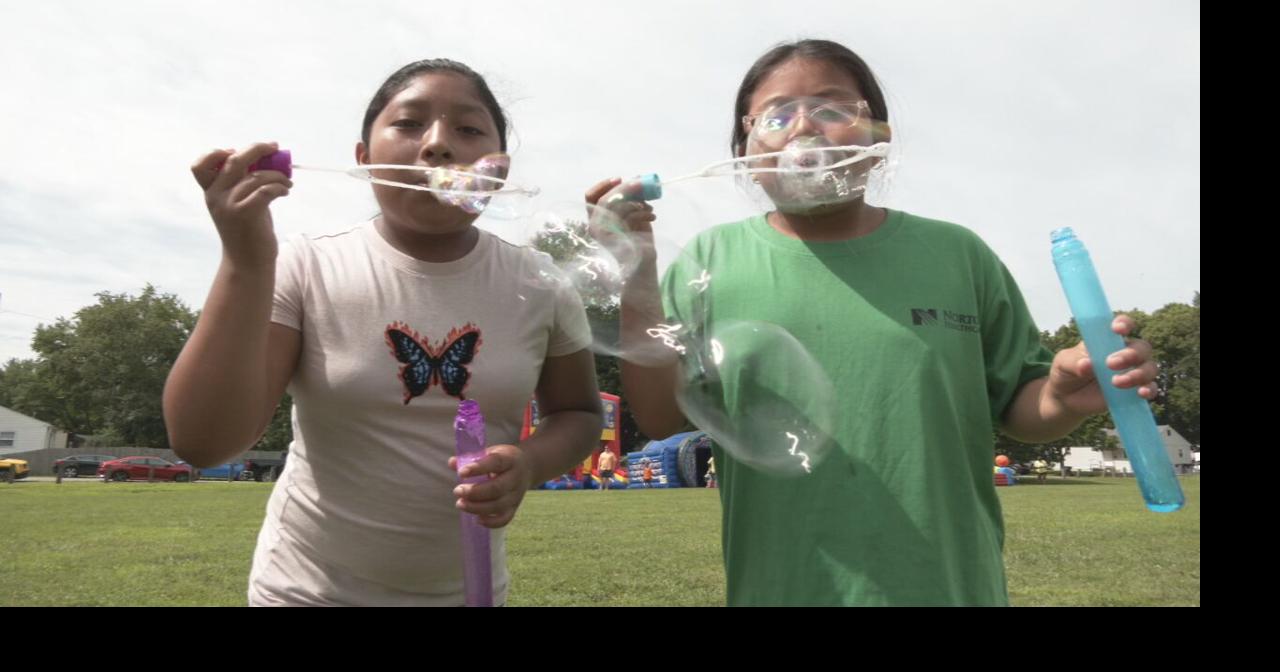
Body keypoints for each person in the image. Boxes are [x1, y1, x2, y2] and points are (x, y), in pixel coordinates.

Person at [588, 39, 1157, 606]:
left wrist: (1060, 393)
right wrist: (637, 268)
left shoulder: (959, 255)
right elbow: (662, 416)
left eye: (835, 109)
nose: (805, 127)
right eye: (777, 114)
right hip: (781, 587)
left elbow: (1022, 410)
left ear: (878, 139)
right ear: (747, 153)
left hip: (952, 587)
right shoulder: (712, 260)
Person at [165, 59, 602, 606]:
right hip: (305, 592)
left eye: (468, 129)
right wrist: (246, 258)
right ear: (364, 159)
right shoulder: (306, 265)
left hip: (468, 592)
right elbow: (205, 442)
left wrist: (531, 464)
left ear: (500, 170)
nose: (438, 144)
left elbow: (581, 414)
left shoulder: (541, 283)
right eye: (410, 123)